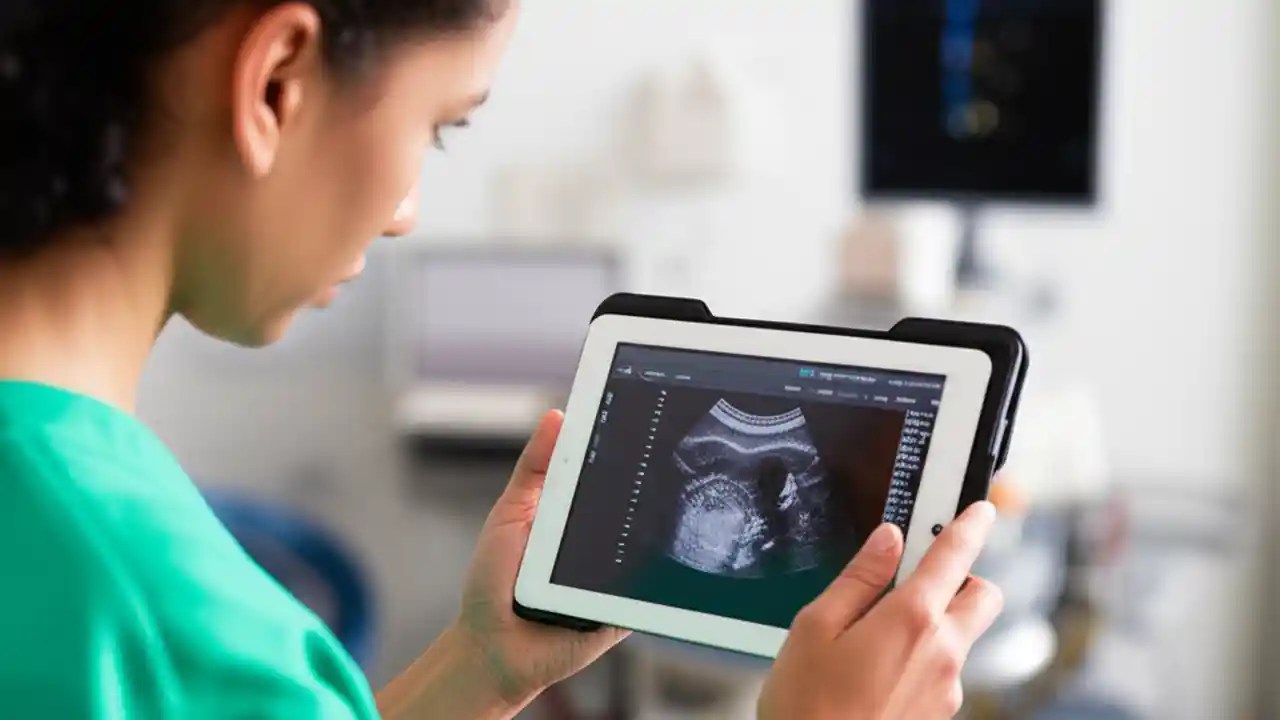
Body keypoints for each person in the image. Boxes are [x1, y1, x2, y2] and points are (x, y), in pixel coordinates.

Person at [0, 1, 1005, 718]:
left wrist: (480, 665)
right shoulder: (157, 622)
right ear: (276, 82)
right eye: (439, 127)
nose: (405, 215)